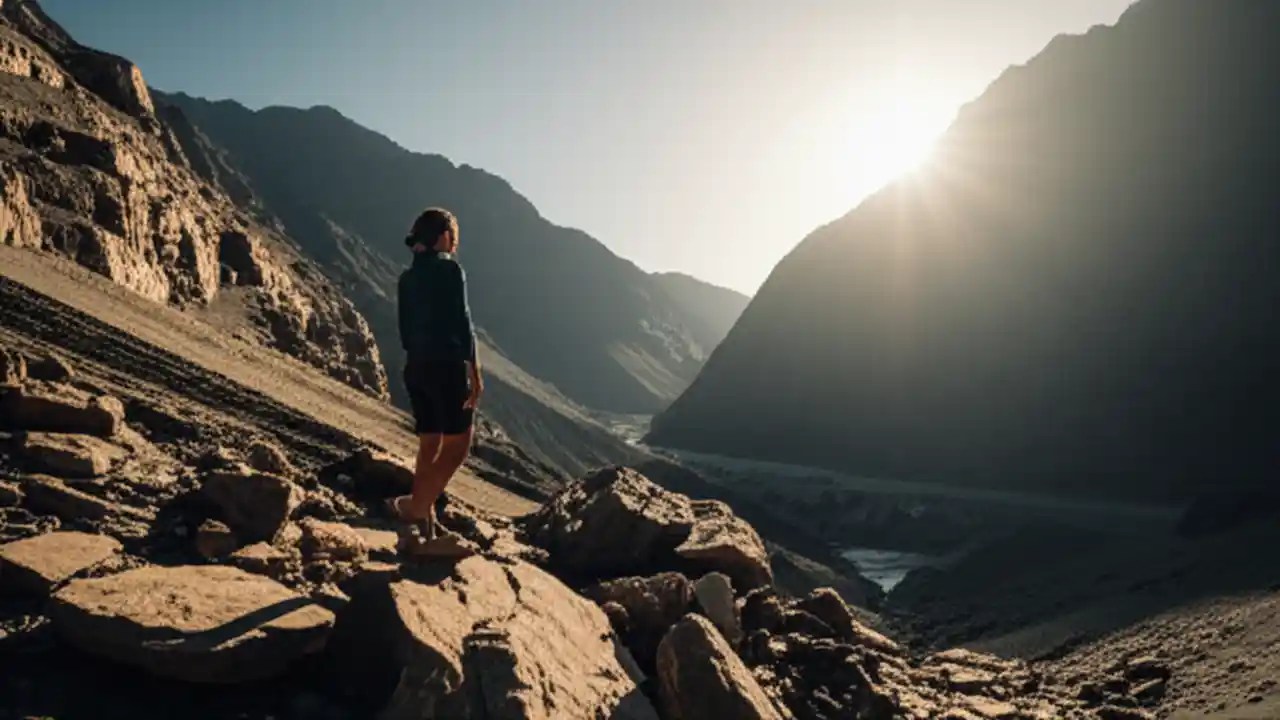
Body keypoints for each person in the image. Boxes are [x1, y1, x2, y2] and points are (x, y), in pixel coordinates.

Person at [387, 207, 483, 555]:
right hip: (446, 366)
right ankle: (414, 509)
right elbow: (463, 322)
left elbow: (404, 331)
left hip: (416, 368)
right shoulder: (450, 270)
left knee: (430, 444)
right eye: (453, 238)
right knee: (457, 446)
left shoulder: (406, 279)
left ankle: (424, 523)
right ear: (444, 237)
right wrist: (474, 371)